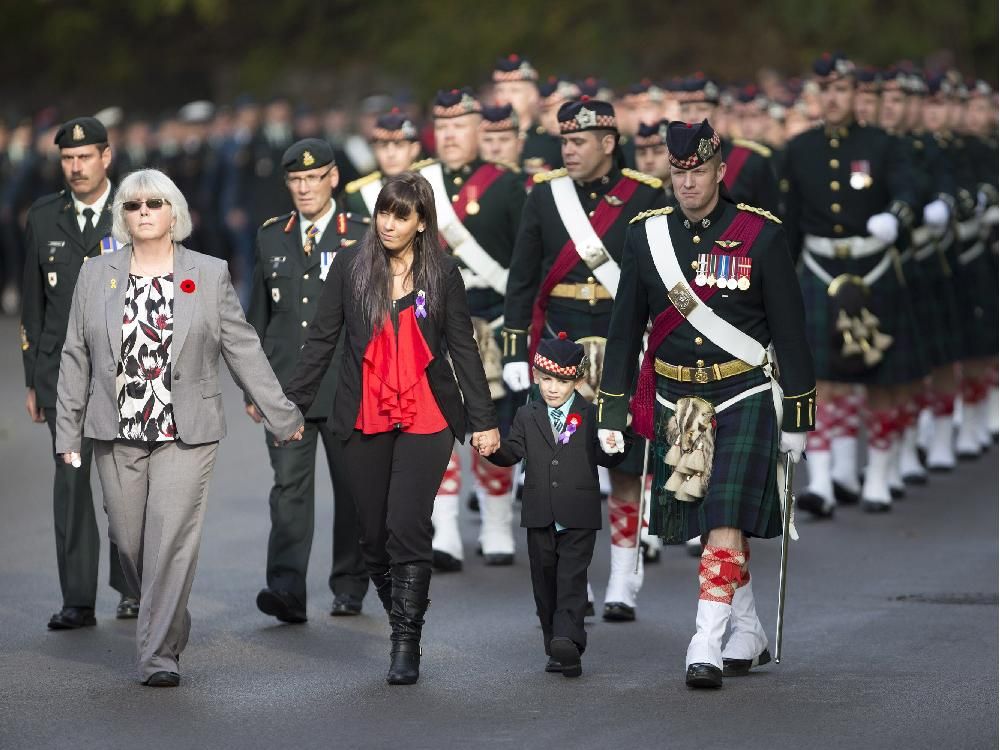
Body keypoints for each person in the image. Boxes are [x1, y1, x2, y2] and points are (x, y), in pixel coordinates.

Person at [55, 168, 304, 687]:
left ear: (174, 212)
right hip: (116, 428)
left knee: (169, 540)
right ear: (122, 216)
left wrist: (280, 413)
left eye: (154, 202)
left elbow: (242, 346)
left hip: (185, 431)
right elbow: (76, 354)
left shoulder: (207, 273)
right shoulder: (95, 273)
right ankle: (168, 617)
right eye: (132, 205)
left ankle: (158, 655)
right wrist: (67, 431)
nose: (143, 211)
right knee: (128, 541)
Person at [597, 119, 816, 688]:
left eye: (698, 171)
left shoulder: (760, 234)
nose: (687, 182)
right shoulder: (644, 234)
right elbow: (625, 329)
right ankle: (746, 630)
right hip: (676, 397)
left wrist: (798, 413)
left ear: (720, 170)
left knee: (724, 514)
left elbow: (791, 332)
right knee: (706, 520)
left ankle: (705, 641)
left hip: (741, 391)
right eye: (679, 172)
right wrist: (613, 409)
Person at [284, 172, 499, 685]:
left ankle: (406, 640)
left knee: (407, 527)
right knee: (373, 537)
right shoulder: (348, 267)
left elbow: (463, 348)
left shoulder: (442, 273)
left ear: (421, 222)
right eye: (384, 212)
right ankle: (402, 609)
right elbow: (321, 344)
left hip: (427, 415)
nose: (387, 222)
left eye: (401, 215)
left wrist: (485, 422)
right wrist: (289, 407)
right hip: (364, 413)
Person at [502, 97, 667, 622]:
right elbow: (522, 279)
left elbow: (661, 281)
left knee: (624, 466)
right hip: (560, 349)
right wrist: (513, 350)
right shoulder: (545, 197)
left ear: (608, 143)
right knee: (566, 472)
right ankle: (579, 581)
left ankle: (623, 576)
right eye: (563, 142)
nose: (567, 151)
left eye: (577, 142)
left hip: (623, 350)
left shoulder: (645, 196)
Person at [782, 53, 919, 517]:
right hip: (819, 269)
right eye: (825, 90)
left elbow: (908, 191)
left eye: (841, 89)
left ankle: (877, 475)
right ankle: (820, 481)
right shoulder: (798, 149)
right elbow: (790, 219)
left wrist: (894, 218)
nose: (832, 98)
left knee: (880, 378)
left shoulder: (881, 144)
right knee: (820, 380)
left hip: (873, 268)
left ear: (857, 95)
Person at [245, 139, 370, 623]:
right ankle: (286, 589)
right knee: (289, 489)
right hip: (286, 390)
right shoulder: (272, 235)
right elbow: (257, 318)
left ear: (333, 178)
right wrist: (252, 385)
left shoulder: (360, 234)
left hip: (345, 386)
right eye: (296, 180)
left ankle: (349, 584)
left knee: (353, 491)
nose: (304, 188)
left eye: (313, 178)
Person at [19, 116, 135, 629]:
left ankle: (132, 589)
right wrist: (33, 378)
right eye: (67, 158)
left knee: (128, 487)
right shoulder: (44, 218)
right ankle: (78, 599)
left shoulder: (135, 211)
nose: (75, 167)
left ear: (106, 157)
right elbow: (34, 305)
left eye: (85, 156)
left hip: (128, 374)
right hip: (63, 379)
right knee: (71, 486)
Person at [418, 88, 527, 570]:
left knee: (493, 424)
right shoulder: (420, 182)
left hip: (491, 317)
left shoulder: (506, 184)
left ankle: (497, 523)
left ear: (480, 130)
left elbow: (525, 266)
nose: (450, 136)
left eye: (459, 127)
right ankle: (444, 532)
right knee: (436, 423)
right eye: (443, 128)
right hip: (434, 320)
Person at [485, 333, 630, 678]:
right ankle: (555, 642)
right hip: (539, 512)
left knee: (572, 578)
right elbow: (512, 452)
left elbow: (606, 456)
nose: (553, 388)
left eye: (562, 381)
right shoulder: (526, 414)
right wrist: (491, 448)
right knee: (544, 581)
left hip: (578, 510)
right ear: (536, 377)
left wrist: (616, 444)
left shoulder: (591, 414)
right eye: (547, 379)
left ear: (577, 381)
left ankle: (569, 639)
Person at [343, 110, 423, 217]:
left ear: (414, 149)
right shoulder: (359, 197)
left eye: (399, 145)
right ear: (374, 151)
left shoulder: (434, 181)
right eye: (383, 146)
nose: (390, 154)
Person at [479, 103, 524, 169]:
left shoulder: (532, 178)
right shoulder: (470, 178)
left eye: (504, 140)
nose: (495, 148)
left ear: (520, 144)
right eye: (488, 140)